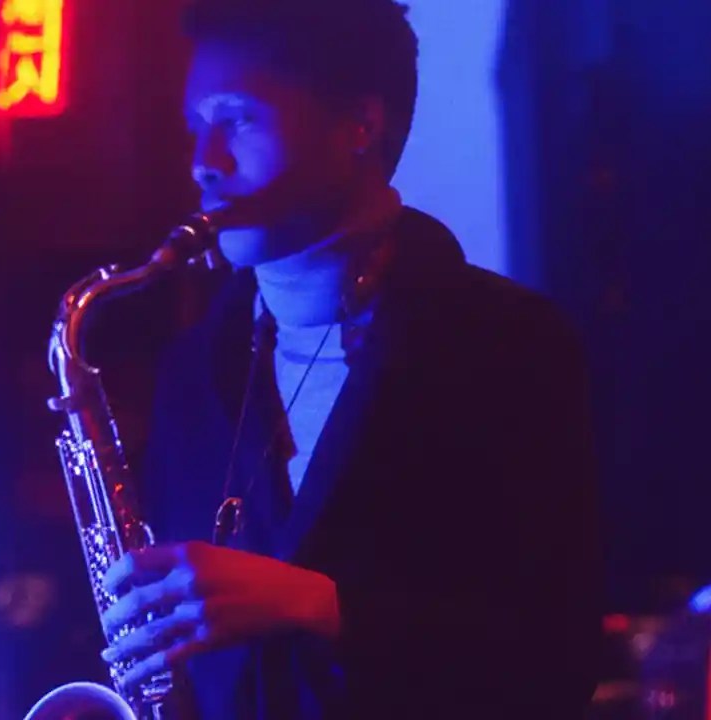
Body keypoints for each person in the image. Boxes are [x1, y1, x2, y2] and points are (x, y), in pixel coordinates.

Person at [98, 1, 602, 717]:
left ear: (359, 126)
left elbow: (555, 660)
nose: (202, 162)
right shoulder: (190, 373)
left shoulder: (509, 343)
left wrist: (318, 603)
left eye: (237, 119)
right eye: (194, 127)